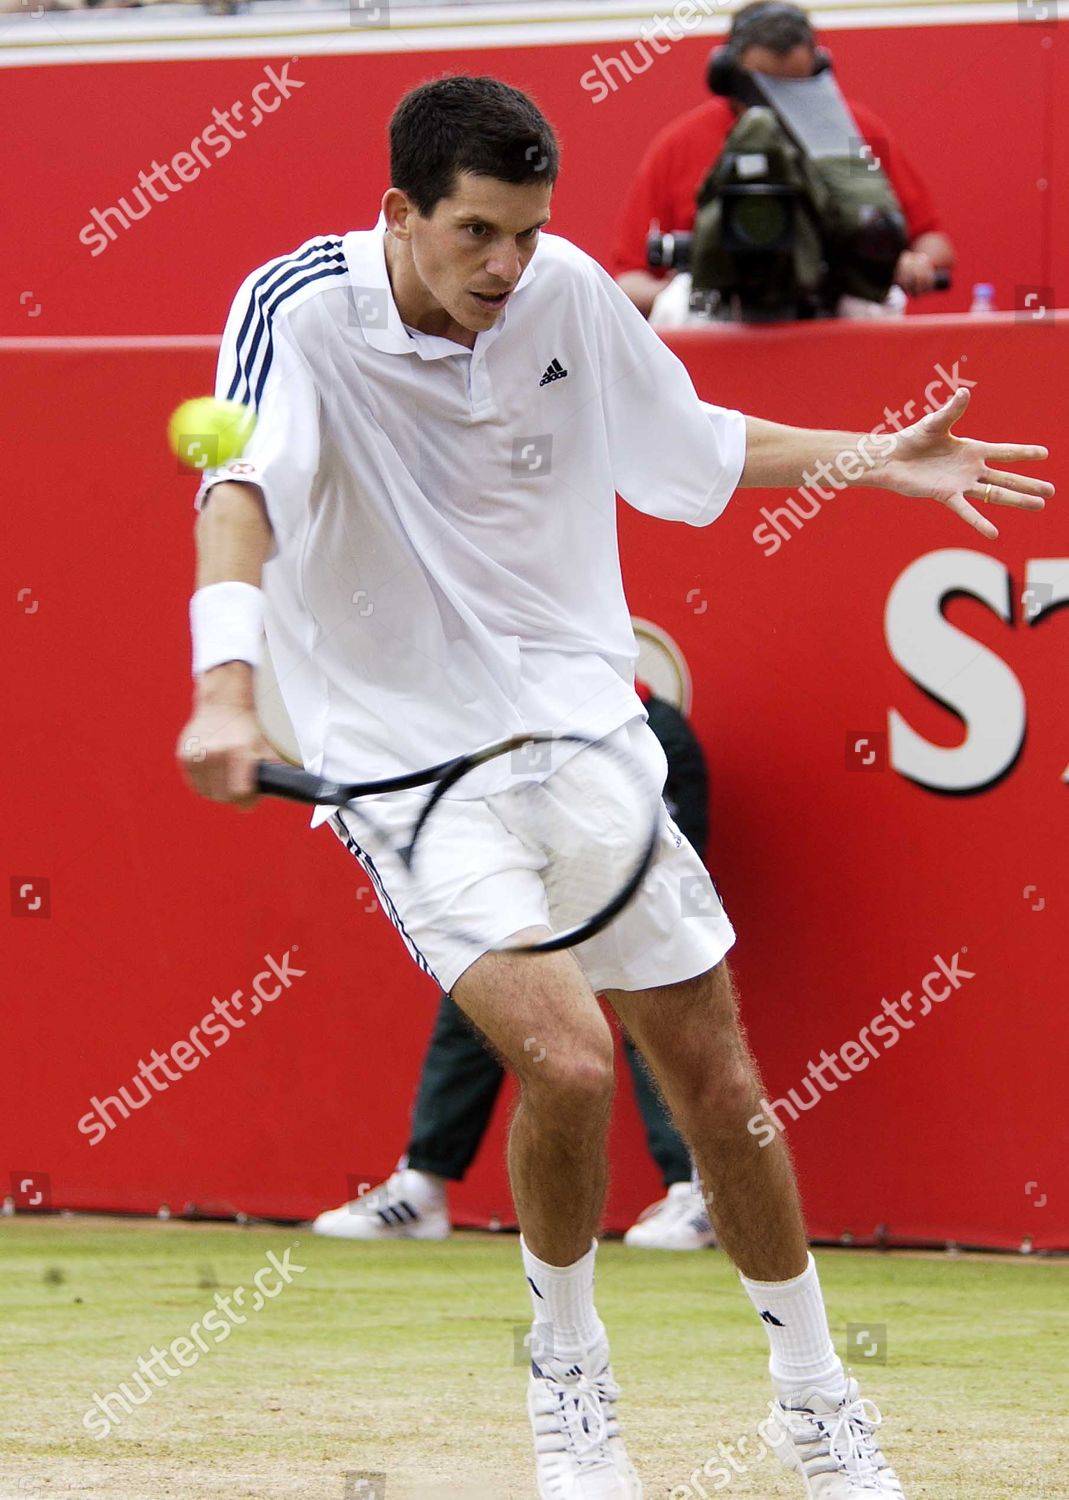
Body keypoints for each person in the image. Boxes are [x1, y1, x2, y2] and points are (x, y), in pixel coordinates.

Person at [175, 74, 1049, 1500]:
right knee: (571, 1063)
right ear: (398, 213)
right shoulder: (294, 310)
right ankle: (571, 1385)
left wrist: (870, 461)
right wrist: (224, 685)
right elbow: (238, 494)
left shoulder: (566, 292)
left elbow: (690, 450)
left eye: (527, 231)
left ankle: (813, 1399)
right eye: (475, 235)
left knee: (722, 1088)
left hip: (588, 739)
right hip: (409, 769)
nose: (507, 266)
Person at [312, 681, 716, 1252]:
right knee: (479, 992)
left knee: (648, 985)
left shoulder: (651, 719)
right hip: (509, 763)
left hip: (611, 746)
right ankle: (421, 1187)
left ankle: (694, 1193)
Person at [613, 1, 955, 319]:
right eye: (760, 88)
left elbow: (933, 241)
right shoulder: (680, 144)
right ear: (726, 75)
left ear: (817, 71)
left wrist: (911, 263)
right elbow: (627, 281)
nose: (777, 105)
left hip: (837, 329)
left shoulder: (854, 133)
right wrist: (683, 298)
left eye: (793, 88)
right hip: (717, 337)